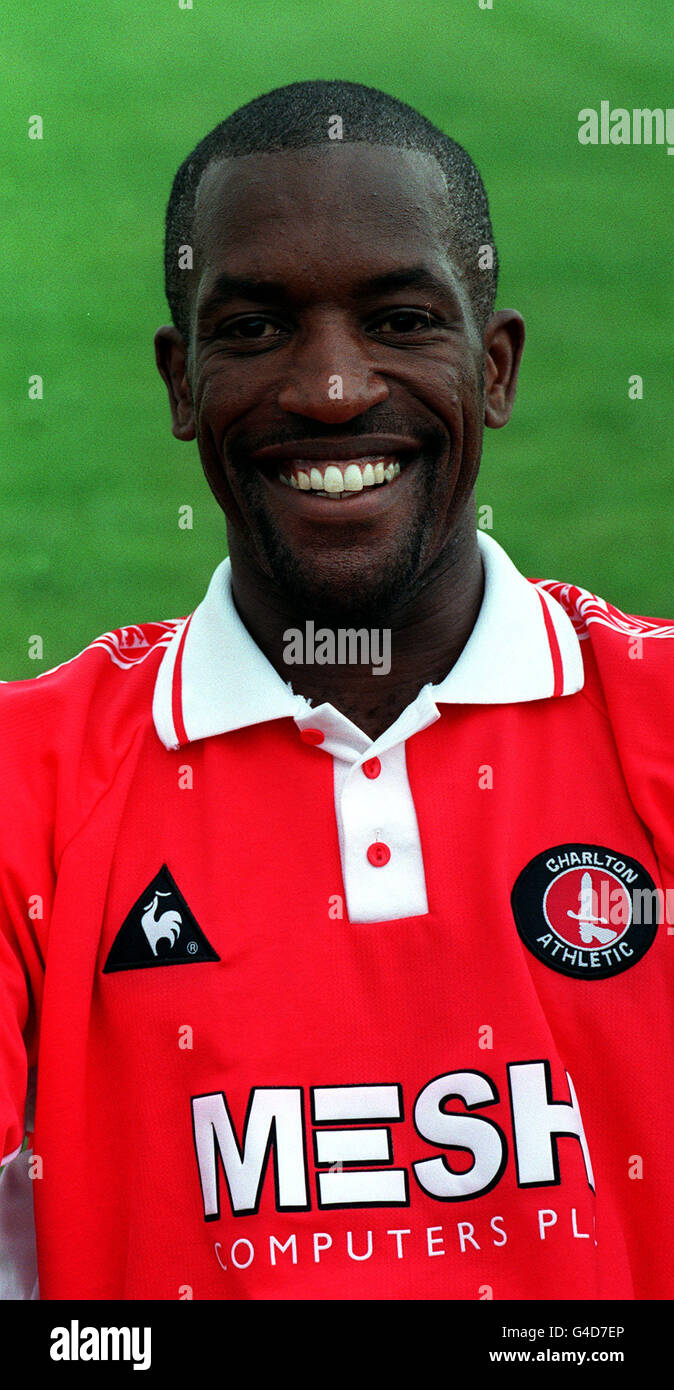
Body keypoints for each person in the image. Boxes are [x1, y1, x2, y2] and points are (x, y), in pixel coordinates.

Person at [1, 79, 672, 1302]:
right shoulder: (24, 788)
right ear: (179, 381)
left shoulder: (658, 727)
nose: (328, 390)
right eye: (253, 329)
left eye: (402, 319)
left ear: (497, 366)